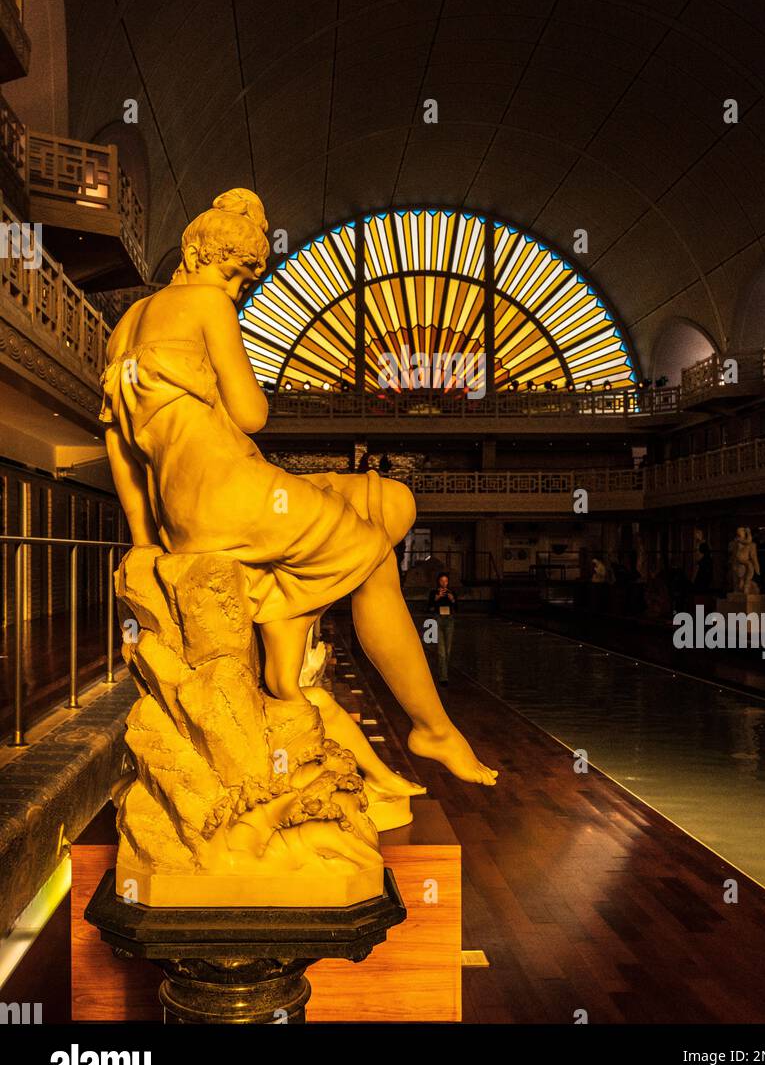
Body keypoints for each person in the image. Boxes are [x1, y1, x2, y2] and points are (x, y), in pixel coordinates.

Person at [100, 189, 496, 787]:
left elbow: (122, 453)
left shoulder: (125, 328)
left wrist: (145, 539)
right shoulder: (208, 303)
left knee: (385, 500)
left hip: (199, 509)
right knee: (373, 556)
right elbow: (253, 413)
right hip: (233, 494)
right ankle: (431, 728)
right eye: (240, 276)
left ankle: (293, 624)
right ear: (213, 260)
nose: (238, 290)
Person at [427, 572, 457, 684]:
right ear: (438, 582)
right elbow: (429, 607)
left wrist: (453, 599)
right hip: (437, 619)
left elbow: (457, 608)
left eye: (446, 581)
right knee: (441, 651)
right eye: (442, 581)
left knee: (448, 650)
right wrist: (436, 598)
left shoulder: (452, 593)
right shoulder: (433, 593)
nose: (444, 583)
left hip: (449, 620)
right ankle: (443, 677)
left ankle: (443, 671)